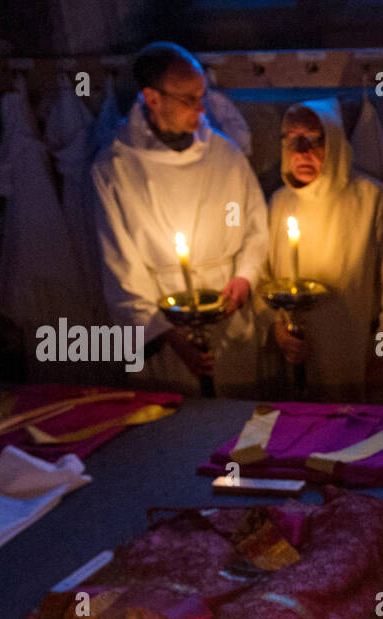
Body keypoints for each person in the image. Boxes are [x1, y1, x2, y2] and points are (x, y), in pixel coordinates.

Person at [91, 42, 268, 397]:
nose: (202, 109)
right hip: (166, 326)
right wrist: (170, 338)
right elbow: (119, 268)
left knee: (237, 431)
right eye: (189, 99)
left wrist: (245, 276)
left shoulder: (224, 154)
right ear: (153, 99)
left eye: (202, 95)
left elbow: (254, 225)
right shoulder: (116, 169)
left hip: (227, 315)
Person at [261, 100, 383, 403]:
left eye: (314, 139)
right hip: (298, 349)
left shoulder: (374, 200)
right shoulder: (279, 203)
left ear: (334, 141)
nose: (301, 151)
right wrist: (278, 328)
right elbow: (264, 274)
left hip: (355, 349)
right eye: (292, 139)